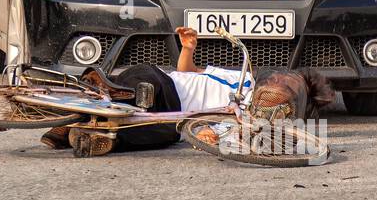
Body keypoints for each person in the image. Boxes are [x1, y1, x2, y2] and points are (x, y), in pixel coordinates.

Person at [43, 27, 337, 157]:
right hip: (165, 83)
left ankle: (91, 133)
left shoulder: (253, 114)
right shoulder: (242, 76)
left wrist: (211, 137)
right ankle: (73, 116)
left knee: (161, 133)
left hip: (176, 117)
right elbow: (190, 73)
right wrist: (188, 50)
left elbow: (223, 132)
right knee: (136, 93)